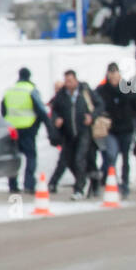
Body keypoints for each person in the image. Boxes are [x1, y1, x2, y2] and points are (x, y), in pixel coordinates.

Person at [48, 69, 103, 200]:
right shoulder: (61, 94)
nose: (68, 84)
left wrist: (92, 116)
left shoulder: (85, 91)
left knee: (80, 159)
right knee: (69, 160)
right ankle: (86, 180)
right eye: (66, 81)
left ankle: (79, 189)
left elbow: (100, 105)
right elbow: (54, 109)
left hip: (84, 131)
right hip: (68, 134)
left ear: (76, 80)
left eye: (70, 81)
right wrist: (56, 118)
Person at [0, 67, 52, 195]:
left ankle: (12, 185)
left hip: (12, 129)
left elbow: (3, 110)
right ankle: (29, 184)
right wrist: (49, 126)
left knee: (14, 156)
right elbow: (40, 109)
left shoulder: (10, 90)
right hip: (28, 128)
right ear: (29, 76)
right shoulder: (31, 90)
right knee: (31, 156)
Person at [95, 62, 136, 193]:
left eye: (115, 74)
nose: (113, 77)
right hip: (110, 129)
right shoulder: (102, 90)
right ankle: (112, 181)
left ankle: (125, 184)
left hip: (126, 128)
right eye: (111, 74)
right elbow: (95, 105)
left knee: (125, 157)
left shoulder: (127, 88)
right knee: (111, 155)